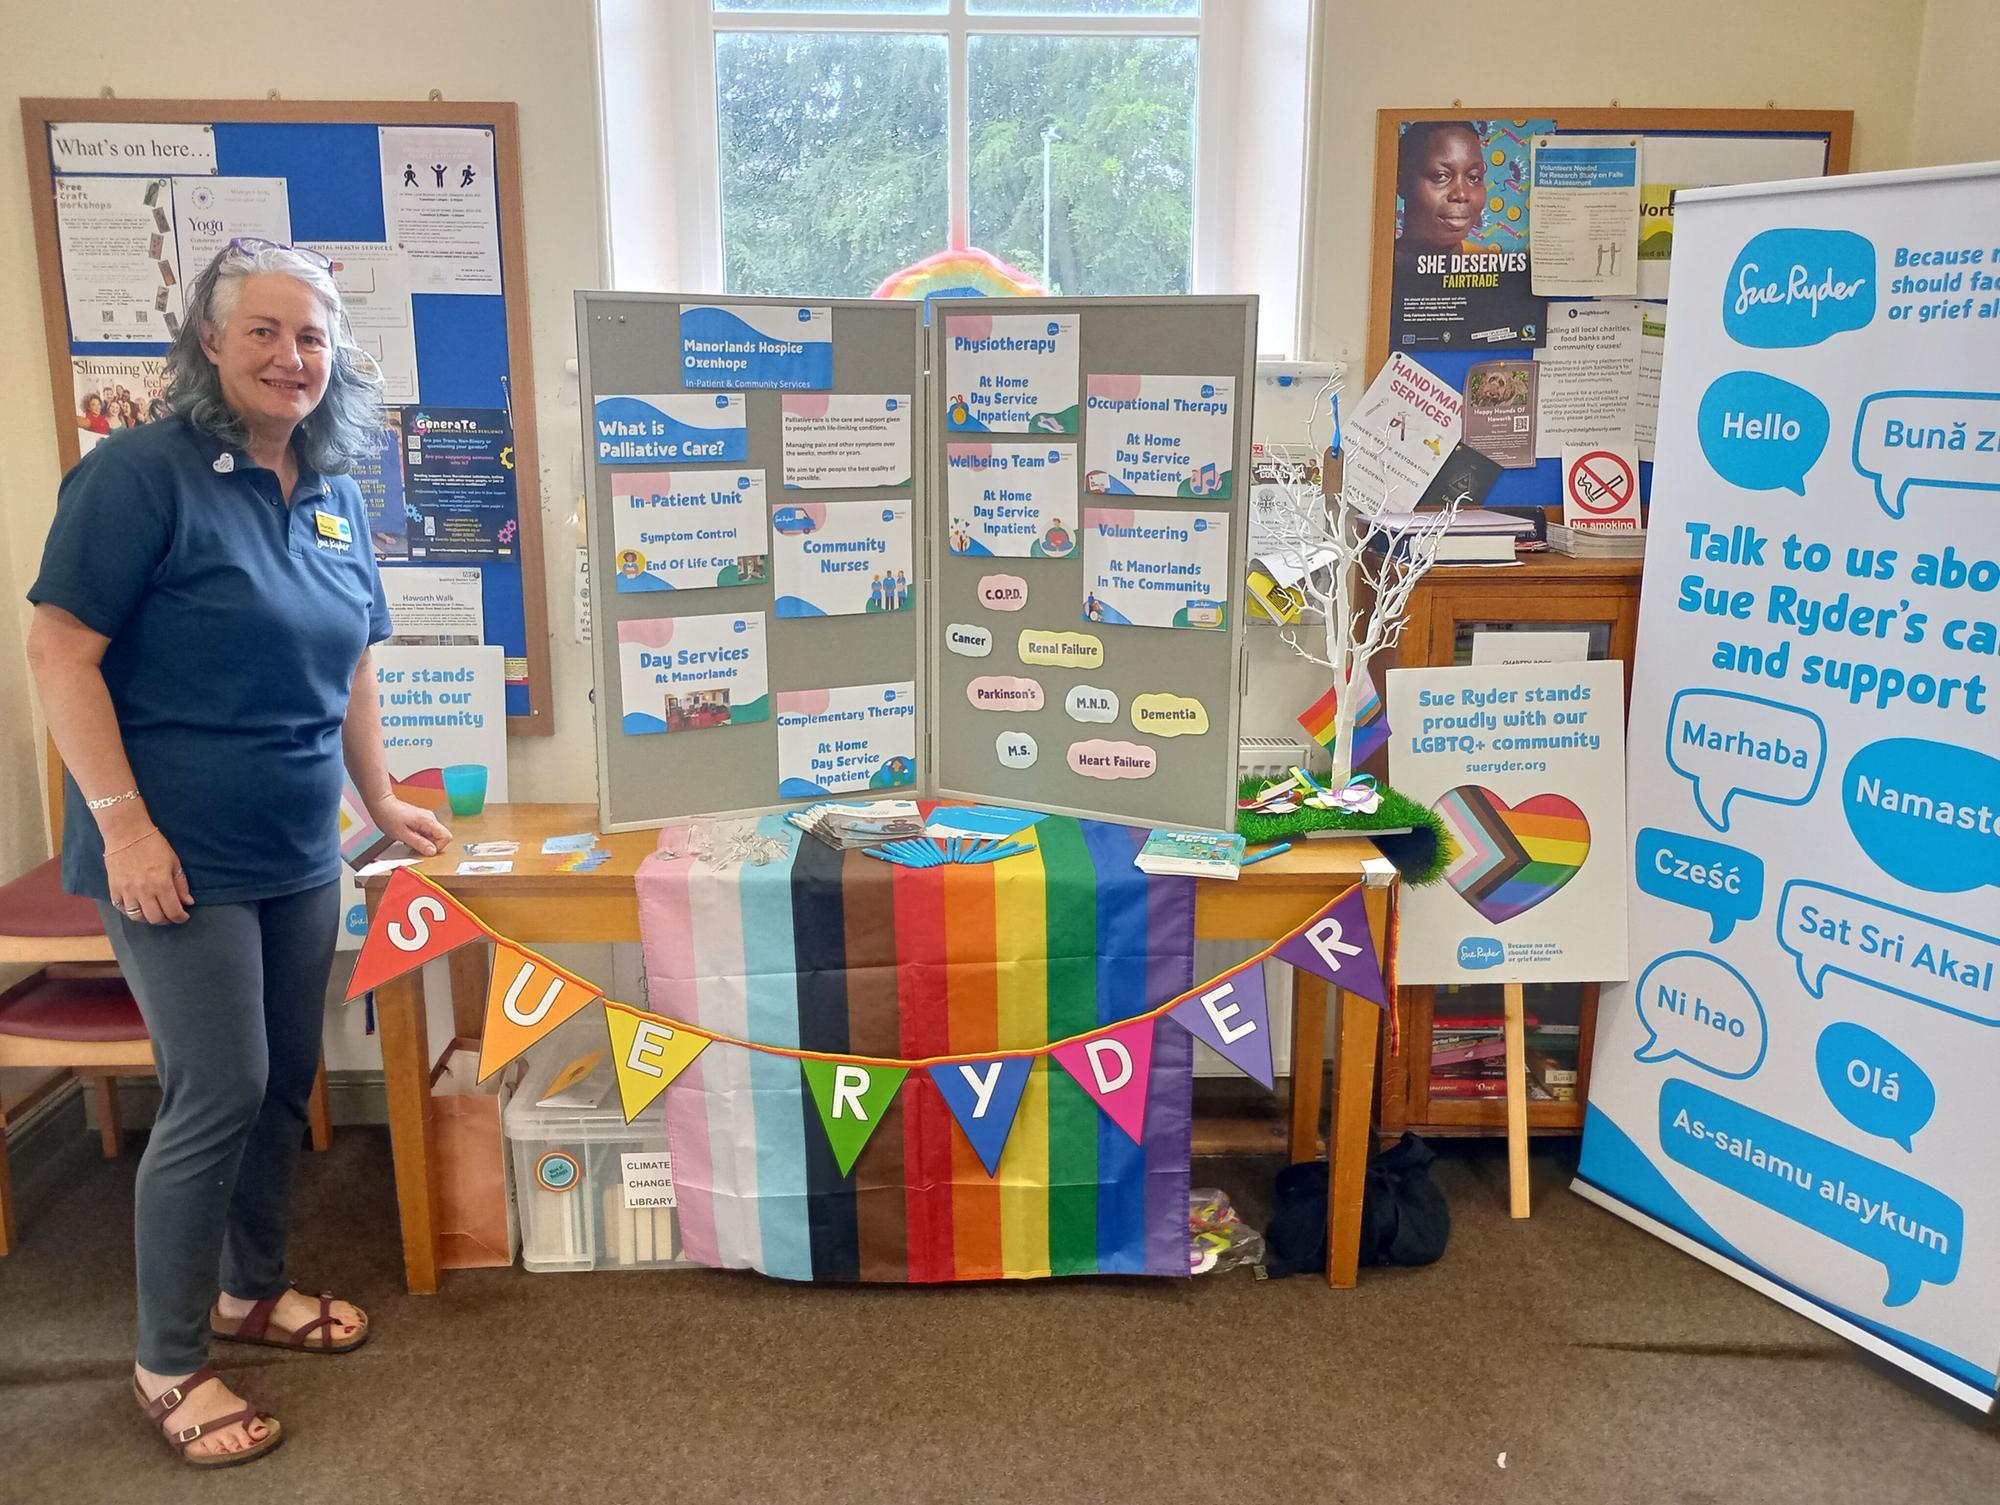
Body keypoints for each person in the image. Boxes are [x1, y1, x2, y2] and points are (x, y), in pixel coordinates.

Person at [27, 239, 451, 1469]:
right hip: (172, 849)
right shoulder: (138, 475)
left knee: (277, 1083)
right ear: (208, 343)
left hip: (292, 844)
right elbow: (62, 654)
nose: (291, 356)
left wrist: (378, 799)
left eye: (312, 335)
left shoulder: (329, 485)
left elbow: (353, 653)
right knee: (213, 1089)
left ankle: (248, 1289)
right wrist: (124, 826)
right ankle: (168, 1359)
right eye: (263, 330)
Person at [1394, 119, 1492, 270]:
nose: (1461, 194)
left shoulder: (1492, 266)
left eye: (1474, 177)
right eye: (1440, 176)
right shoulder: (1378, 266)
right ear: (1402, 182)